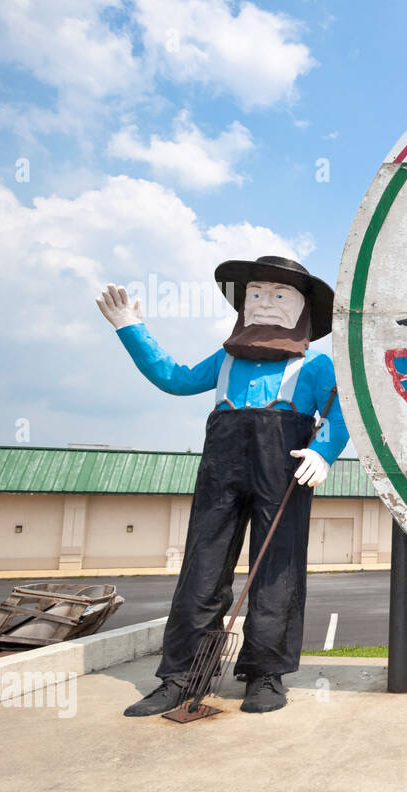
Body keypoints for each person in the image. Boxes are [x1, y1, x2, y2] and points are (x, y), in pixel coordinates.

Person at [96, 256, 349, 716]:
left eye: (279, 295)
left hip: (285, 466)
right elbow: (175, 379)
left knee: (278, 570)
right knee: (202, 568)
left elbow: (339, 415)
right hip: (223, 465)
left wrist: (322, 452)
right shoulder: (227, 358)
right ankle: (181, 676)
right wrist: (130, 328)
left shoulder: (316, 364)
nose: (264, 303)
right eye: (255, 295)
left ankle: (265, 674)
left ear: (303, 309)